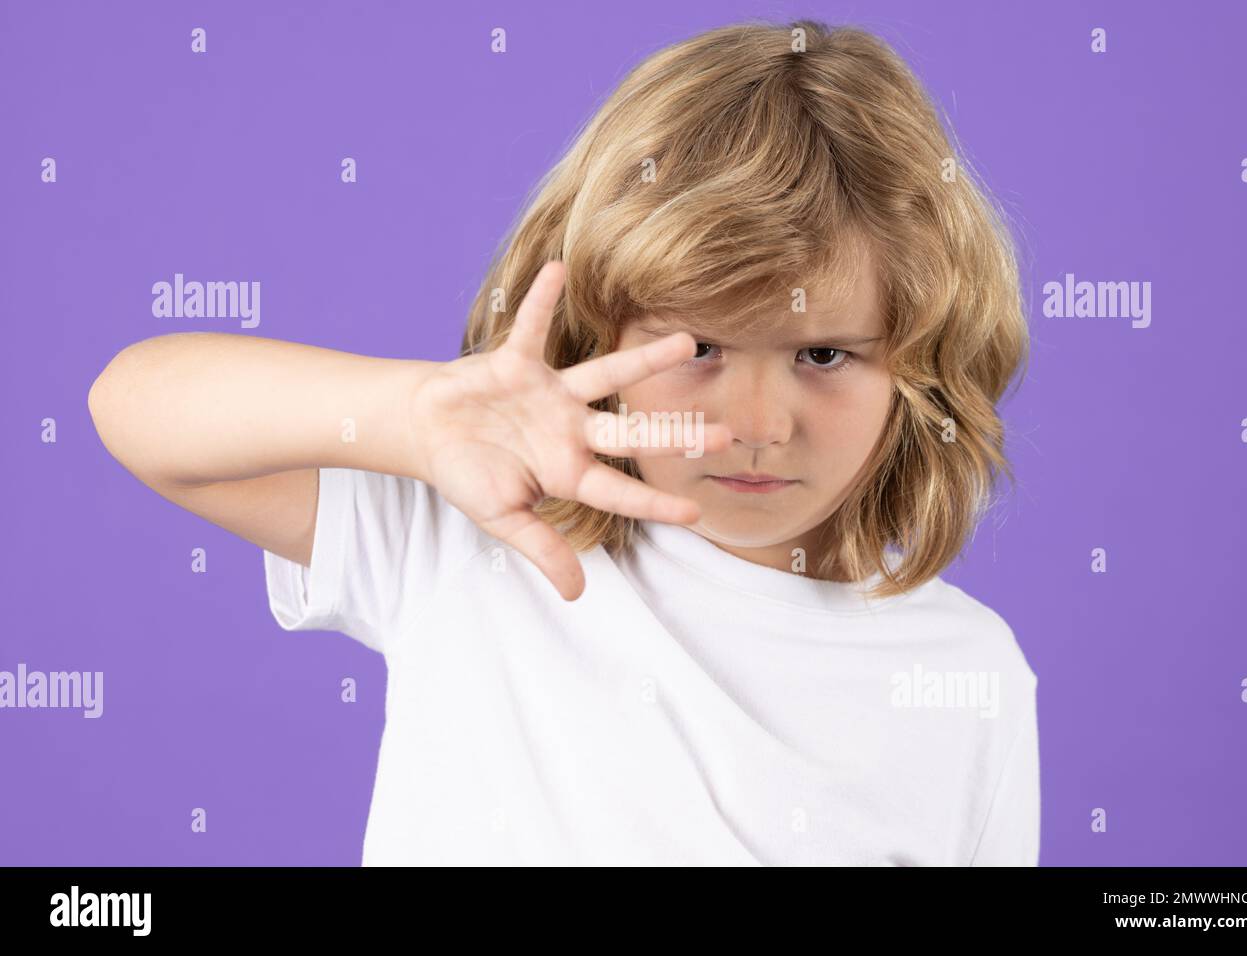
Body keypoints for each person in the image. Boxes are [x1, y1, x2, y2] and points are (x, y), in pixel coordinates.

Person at [88, 18, 1038, 865]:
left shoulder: (964, 675)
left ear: (920, 363)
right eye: (696, 347)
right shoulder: (479, 534)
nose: (756, 425)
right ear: (597, 333)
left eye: (824, 353)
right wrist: (413, 414)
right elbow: (137, 408)